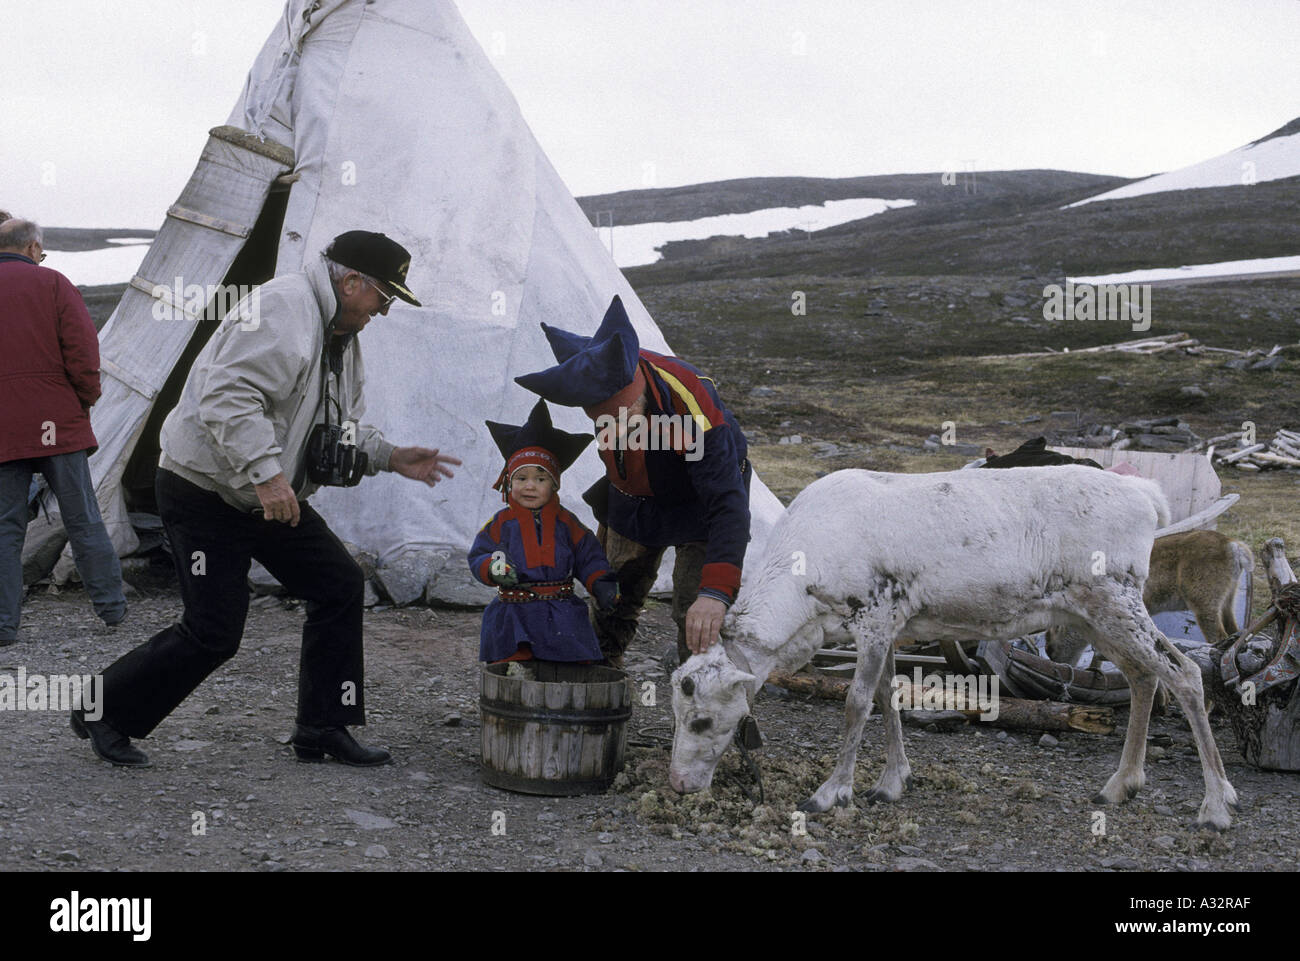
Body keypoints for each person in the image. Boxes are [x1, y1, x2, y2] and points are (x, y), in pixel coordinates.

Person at [74, 230, 461, 767]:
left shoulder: (337, 333)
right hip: (206, 489)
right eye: (384, 297)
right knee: (213, 632)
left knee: (338, 584)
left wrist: (388, 455)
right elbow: (227, 395)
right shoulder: (283, 309)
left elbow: (329, 424)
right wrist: (267, 474)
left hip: (264, 494)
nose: (385, 310)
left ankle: (323, 727)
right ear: (351, 282)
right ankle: (103, 710)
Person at [516, 295, 751, 666]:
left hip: (701, 502)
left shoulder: (692, 408)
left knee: (696, 613)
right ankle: (599, 684)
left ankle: (702, 703)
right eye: (606, 422)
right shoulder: (604, 401)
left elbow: (727, 504)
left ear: (637, 386)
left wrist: (716, 593)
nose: (618, 429)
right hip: (636, 496)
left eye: (626, 416)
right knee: (612, 597)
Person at [0, 218, 127, 646]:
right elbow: (82, 347)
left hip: (4, 426)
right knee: (82, 517)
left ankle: (3, 625)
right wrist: (85, 398)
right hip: (56, 421)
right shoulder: (53, 283)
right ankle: (111, 610)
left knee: (4, 528)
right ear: (33, 247)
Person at [469, 400, 619, 668]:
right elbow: (480, 554)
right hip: (513, 614)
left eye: (540, 479)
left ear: (554, 484)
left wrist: (600, 582)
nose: (529, 486)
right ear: (508, 482)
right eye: (521, 478)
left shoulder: (568, 524)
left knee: (570, 670)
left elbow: (589, 556)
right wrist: (494, 568)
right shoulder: (500, 524)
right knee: (514, 669)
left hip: (560, 612)